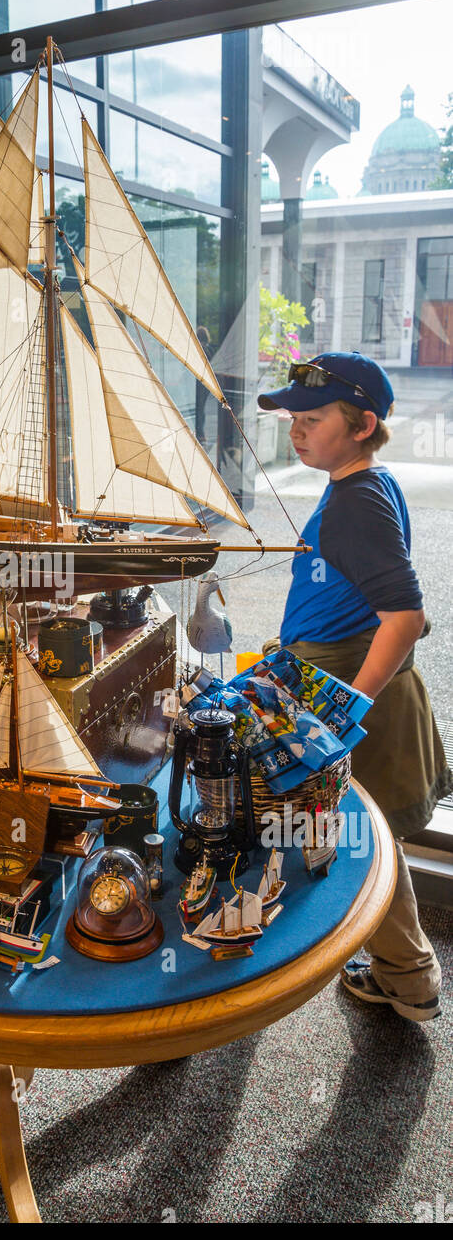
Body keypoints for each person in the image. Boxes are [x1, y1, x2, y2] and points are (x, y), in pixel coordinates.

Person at [258, 352, 451, 1023]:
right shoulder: (363, 485)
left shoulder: (354, 505)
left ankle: (409, 978)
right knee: (345, 828)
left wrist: (345, 709)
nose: (295, 431)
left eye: (311, 419)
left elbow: (405, 617)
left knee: (361, 836)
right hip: (335, 677)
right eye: (292, 419)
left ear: (363, 423)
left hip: (345, 688)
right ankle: (400, 972)